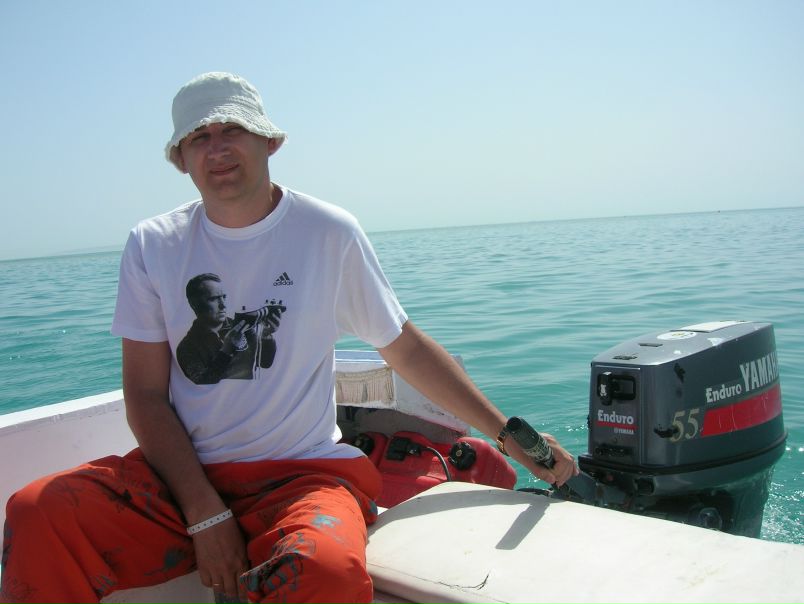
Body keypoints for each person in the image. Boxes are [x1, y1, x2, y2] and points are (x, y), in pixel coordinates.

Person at [0, 72, 578, 604]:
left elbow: (401, 346)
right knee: (37, 511)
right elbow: (146, 396)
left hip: (302, 476)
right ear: (180, 158)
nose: (217, 148)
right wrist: (205, 513)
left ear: (269, 142)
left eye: (232, 130)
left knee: (324, 570)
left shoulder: (327, 233)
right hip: (182, 481)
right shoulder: (153, 245)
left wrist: (507, 435)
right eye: (199, 137)